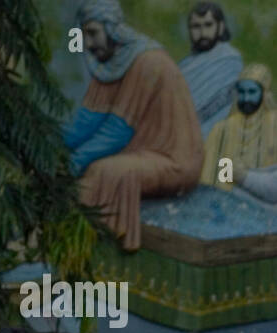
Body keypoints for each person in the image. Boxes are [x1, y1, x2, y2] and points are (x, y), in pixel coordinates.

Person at [64, 0, 203, 251]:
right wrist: (49, 147)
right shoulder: (110, 63)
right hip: (139, 152)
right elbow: (86, 122)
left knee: (103, 171)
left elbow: (117, 132)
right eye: (84, 35)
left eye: (93, 33)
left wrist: (71, 163)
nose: (89, 43)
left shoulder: (147, 61)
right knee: (92, 169)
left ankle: (89, 251)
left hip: (173, 160)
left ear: (112, 28)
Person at [200, 65, 277, 190]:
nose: (246, 98)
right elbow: (215, 177)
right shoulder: (223, 129)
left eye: (252, 92)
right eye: (241, 92)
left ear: (264, 93)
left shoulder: (274, 126)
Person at [178, 2, 242, 138]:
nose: (202, 33)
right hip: (183, 138)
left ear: (220, 27)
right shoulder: (184, 65)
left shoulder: (230, 60)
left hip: (222, 138)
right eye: (196, 27)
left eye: (208, 25)